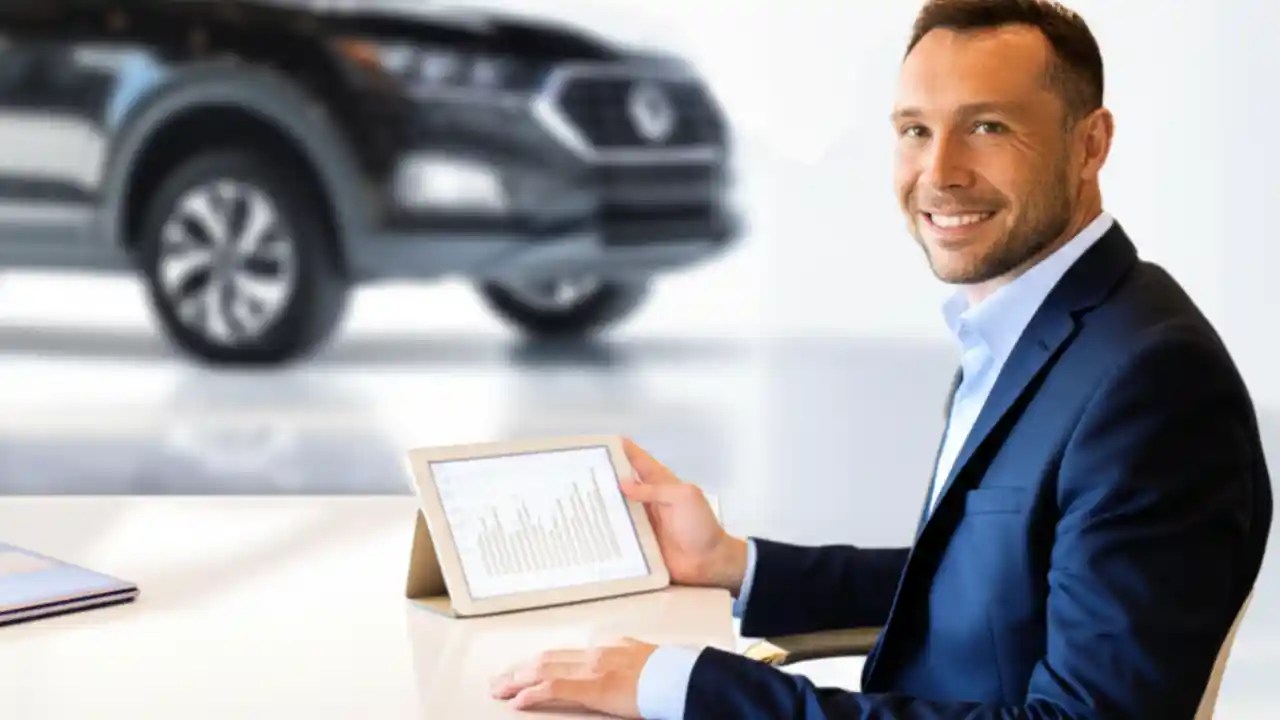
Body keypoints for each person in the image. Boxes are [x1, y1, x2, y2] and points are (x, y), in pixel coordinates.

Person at [489, 0, 1273, 717]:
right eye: (915, 130)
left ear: (1090, 144)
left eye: (989, 127)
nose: (939, 174)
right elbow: (983, 582)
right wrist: (735, 564)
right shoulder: (1037, 329)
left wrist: (693, 688)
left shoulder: (1150, 383)